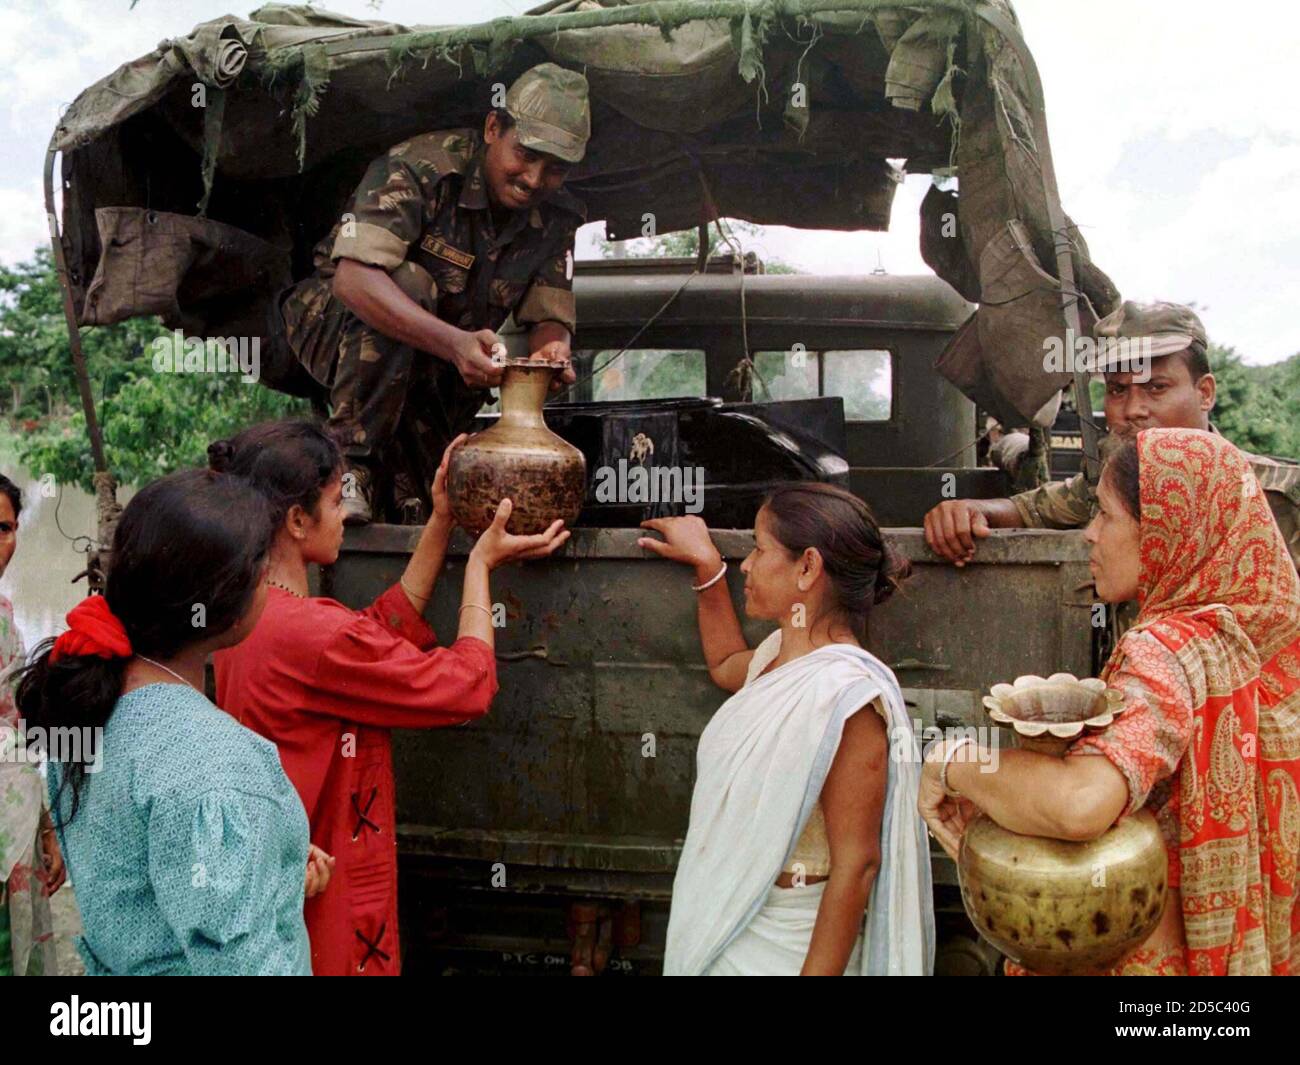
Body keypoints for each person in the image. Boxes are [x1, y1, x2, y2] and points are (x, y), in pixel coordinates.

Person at [920, 429, 1300, 975]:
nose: (1088, 536)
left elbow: (1079, 803)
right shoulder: (1271, 644)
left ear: (1168, 531)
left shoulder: (1169, 652)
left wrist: (951, 763)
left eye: (1105, 516)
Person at [210, 419, 569, 975]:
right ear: (297, 521)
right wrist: (480, 566)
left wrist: (442, 519)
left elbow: (374, 633)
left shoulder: (250, 614)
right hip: (327, 895)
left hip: (283, 882)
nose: (346, 515)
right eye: (335, 502)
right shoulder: (313, 634)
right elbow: (467, 686)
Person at [15, 469, 320, 976]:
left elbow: (145, 875)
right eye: (261, 569)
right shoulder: (216, 761)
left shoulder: (84, 708)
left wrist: (274, 864)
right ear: (229, 601)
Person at [276, 63, 590, 523]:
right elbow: (353, 280)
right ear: (492, 127)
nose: (534, 179)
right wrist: (456, 345)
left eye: (555, 169)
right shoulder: (423, 167)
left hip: (432, 362)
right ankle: (351, 466)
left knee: (427, 505)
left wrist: (553, 350)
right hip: (333, 321)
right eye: (525, 153)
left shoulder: (557, 217)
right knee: (409, 284)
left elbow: (549, 318)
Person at [642, 484, 934, 976]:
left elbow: (856, 865)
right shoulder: (776, 655)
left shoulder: (848, 699)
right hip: (729, 927)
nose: (747, 566)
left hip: (788, 946)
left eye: (759, 549)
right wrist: (706, 566)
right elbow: (725, 663)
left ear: (808, 567)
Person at [924, 302, 1300, 577]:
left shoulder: (1279, 495)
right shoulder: (1111, 484)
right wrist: (966, 511)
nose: (1133, 409)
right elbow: (1031, 510)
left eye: (1156, 387)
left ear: (1205, 393)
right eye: (1118, 390)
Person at [0, 474, 63, 975]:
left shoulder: (5, 612)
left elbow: (15, 733)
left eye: (3, 528)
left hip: (13, 815)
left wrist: (44, 828)